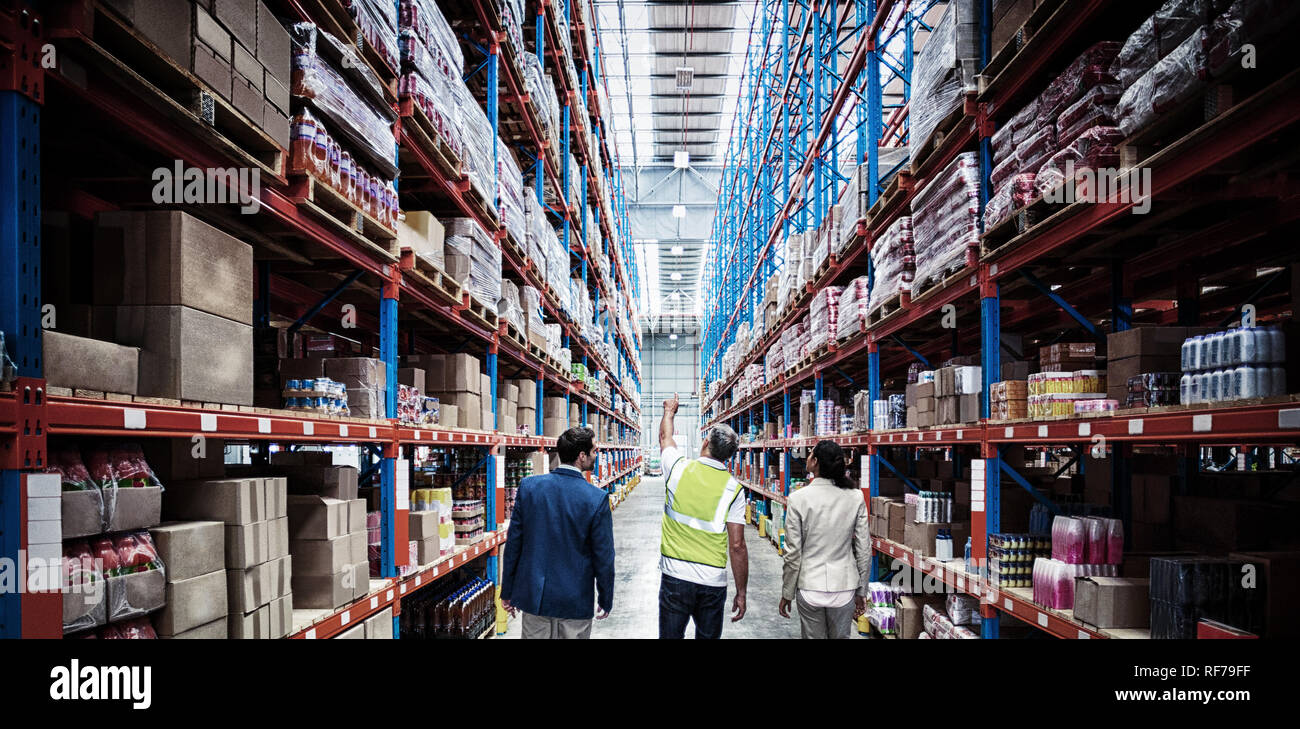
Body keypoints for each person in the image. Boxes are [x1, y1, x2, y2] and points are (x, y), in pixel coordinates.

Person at [501, 426, 615, 639]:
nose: (596, 455)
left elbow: (514, 544)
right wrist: (606, 597)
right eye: (593, 451)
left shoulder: (529, 487)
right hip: (574, 601)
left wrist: (508, 591)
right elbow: (604, 557)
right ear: (581, 456)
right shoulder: (596, 498)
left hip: (536, 600)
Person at [657, 393, 748, 639]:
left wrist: (669, 412)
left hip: (675, 576)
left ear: (706, 442)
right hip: (712, 581)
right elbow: (737, 545)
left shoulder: (678, 468)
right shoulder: (734, 489)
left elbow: (665, 438)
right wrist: (741, 592)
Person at [778, 440, 871, 639]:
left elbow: (793, 553)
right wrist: (862, 590)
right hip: (844, 587)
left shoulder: (798, 498)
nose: (807, 458)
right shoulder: (855, 497)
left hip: (810, 585)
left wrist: (787, 592)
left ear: (816, 463)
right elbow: (864, 548)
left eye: (810, 454)